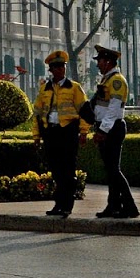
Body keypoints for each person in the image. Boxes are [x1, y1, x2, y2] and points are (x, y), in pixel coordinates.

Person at [31, 50, 86, 218]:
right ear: (51, 70)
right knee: (56, 171)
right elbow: (37, 114)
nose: (60, 70)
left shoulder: (74, 87)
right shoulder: (44, 89)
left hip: (68, 131)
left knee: (68, 170)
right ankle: (58, 204)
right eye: (56, 67)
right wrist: (36, 136)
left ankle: (67, 205)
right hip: (51, 132)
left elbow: (84, 111)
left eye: (62, 67)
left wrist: (84, 131)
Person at [87, 45, 140, 219]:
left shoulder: (117, 81)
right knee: (110, 171)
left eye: (100, 61)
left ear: (108, 61)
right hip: (107, 127)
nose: (98, 65)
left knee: (114, 170)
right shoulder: (106, 80)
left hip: (112, 128)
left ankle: (130, 206)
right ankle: (114, 205)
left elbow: (114, 108)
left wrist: (103, 130)